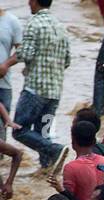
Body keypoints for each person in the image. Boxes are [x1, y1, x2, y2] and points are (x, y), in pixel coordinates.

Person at [2, 0, 71, 168]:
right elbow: (67, 60)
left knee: (19, 130)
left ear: (34, 2)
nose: (28, 3)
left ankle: (56, 150)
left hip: (35, 90)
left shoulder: (34, 23)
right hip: (54, 93)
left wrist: (5, 65)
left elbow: (25, 53)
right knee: (43, 133)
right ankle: (46, 171)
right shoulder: (60, 26)